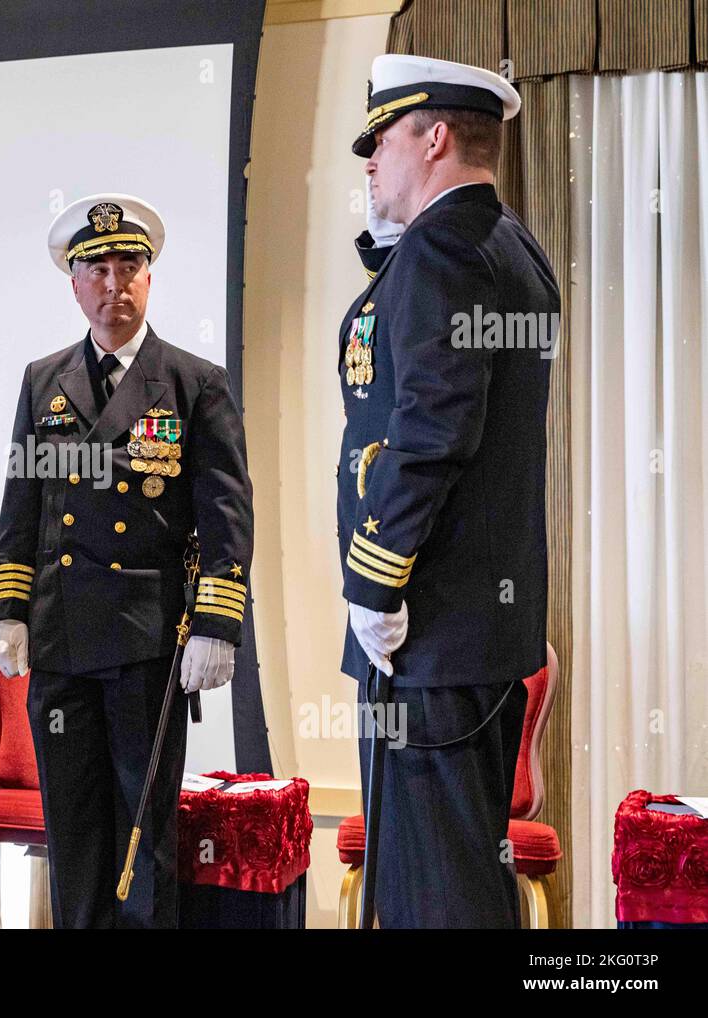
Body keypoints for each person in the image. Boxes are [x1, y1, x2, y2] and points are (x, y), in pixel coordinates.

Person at [0, 194, 254, 928]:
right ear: (74, 283)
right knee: (74, 833)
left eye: (129, 265)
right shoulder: (43, 380)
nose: (115, 282)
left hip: (147, 643)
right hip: (61, 639)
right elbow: (22, 506)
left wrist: (217, 624)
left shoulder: (194, 382)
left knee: (144, 836)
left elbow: (226, 512)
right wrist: (10, 612)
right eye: (97, 268)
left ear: (149, 276)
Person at [338, 56, 559, 927]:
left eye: (381, 140)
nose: (368, 163)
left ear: (432, 138)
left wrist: (376, 582)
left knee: (431, 894)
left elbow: (432, 431)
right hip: (477, 635)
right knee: (456, 880)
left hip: (424, 631)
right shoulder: (510, 242)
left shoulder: (442, 248)